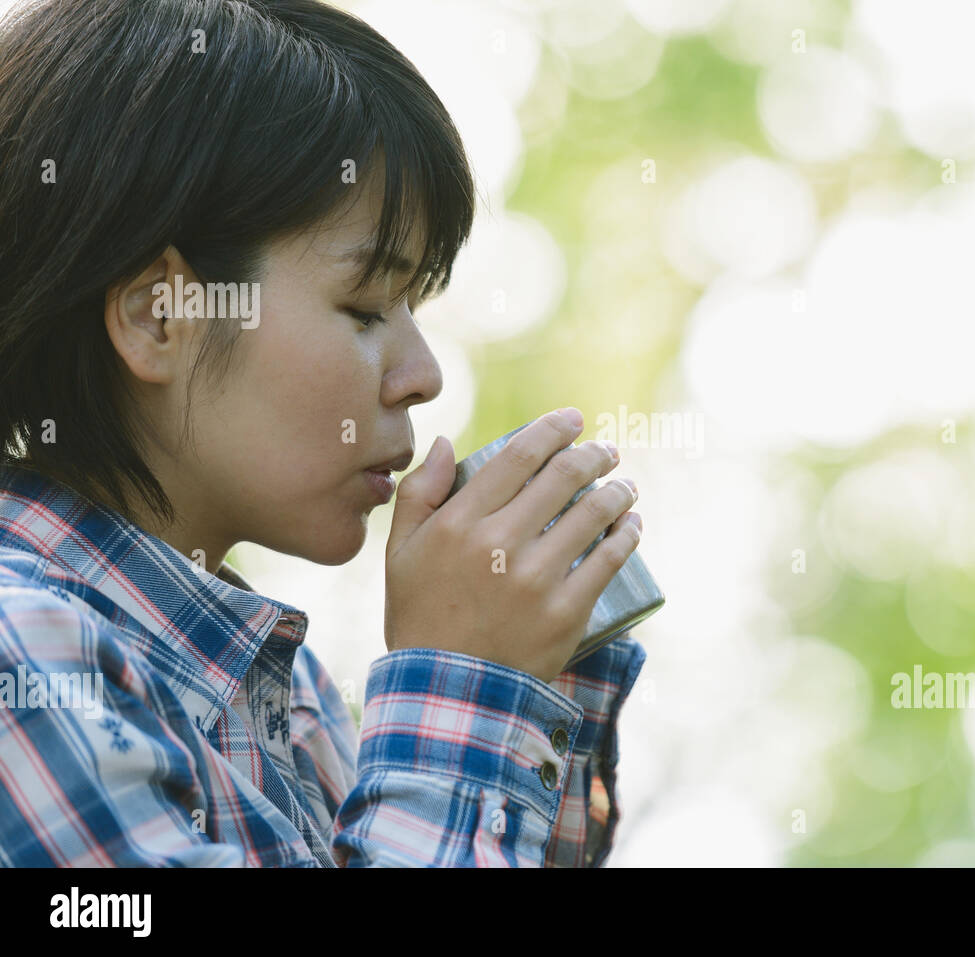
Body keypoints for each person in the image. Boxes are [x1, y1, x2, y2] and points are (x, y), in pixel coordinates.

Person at [0, 0, 646, 867]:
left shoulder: (289, 697)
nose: (423, 373)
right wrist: (463, 693)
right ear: (163, 315)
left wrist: (525, 667)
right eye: (366, 306)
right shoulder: (25, 651)